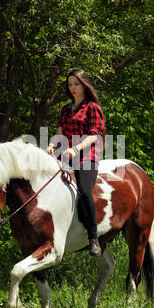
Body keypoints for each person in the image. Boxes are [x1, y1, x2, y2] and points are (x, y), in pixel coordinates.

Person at [46, 68, 105, 257]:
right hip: (67, 155)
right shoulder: (66, 109)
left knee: (85, 191)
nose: (73, 87)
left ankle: (93, 238)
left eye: (76, 83)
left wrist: (76, 148)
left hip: (87, 157)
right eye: (70, 84)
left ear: (84, 84)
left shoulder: (92, 108)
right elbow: (60, 133)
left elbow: (94, 135)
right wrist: (52, 145)